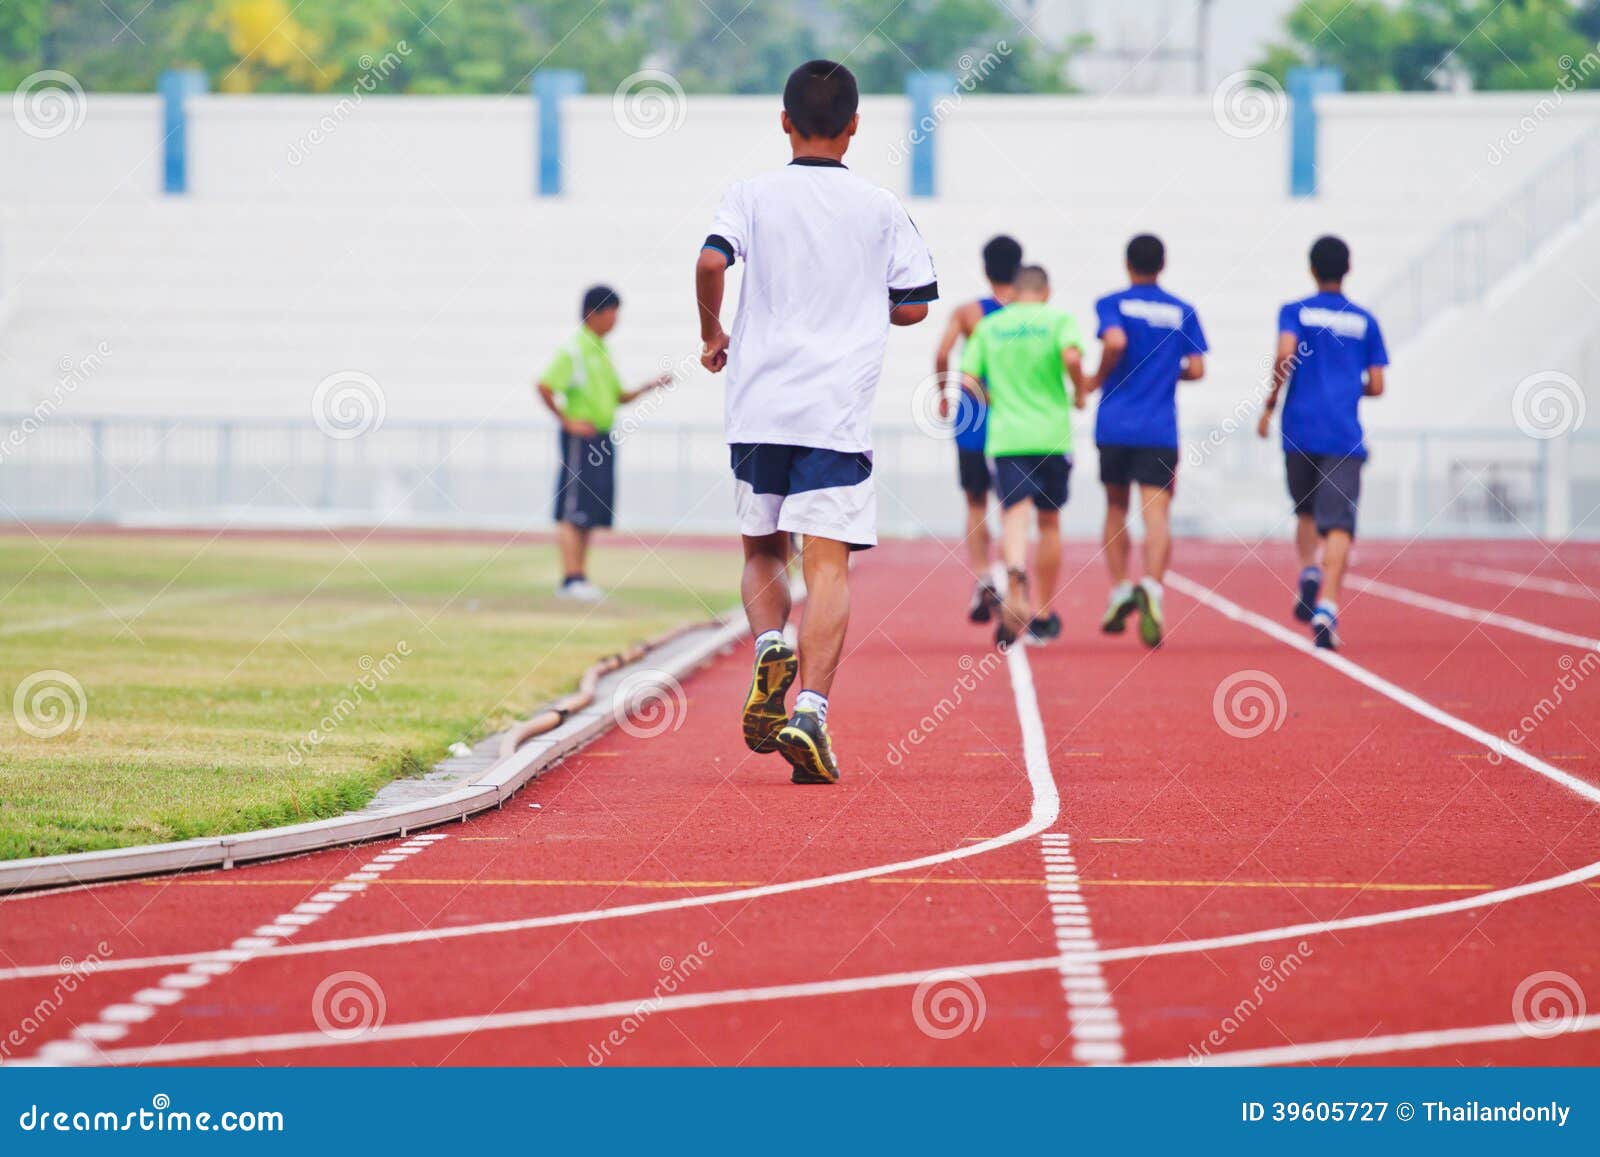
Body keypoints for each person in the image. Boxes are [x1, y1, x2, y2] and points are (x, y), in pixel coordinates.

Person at [695, 60, 937, 785]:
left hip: (759, 404)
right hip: (834, 411)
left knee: (763, 548)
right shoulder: (880, 206)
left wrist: (711, 333)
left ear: (784, 121)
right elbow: (914, 303)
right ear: (855, 126)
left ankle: (770, 641)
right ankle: (809, 710)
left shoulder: (750, 194)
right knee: (827, 564)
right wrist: (864, 301)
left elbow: (709, 263)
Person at [1257, 236, 1389, 651]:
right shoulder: (1365, 321)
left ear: (1311, 269)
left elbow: (1285, 355)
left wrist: (1270, 402)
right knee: (1339, 524)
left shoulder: (1294, 311)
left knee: (1305, 511)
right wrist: (1348, 386)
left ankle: (1308, 570)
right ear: (1348, 269)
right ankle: (1327, 605)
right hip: (1342, 435)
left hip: (1299, 428)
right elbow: (1378, 384)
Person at [1083, 234, 1208, 649]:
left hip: (1115, 423)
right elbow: (1197, 369)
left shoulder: (1112, 303)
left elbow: (1115, 341)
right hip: (1158, 427)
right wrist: (1168, 373)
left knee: (1115, 506)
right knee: (1156, 514)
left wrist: (1098, 378)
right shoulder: (1182, 310)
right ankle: (1152, 586)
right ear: (1163, 264)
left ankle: (1121, 587)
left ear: (1127, 264)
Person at [959, 265, 1086, 649]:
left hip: (1008, 436)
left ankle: (1015, 572)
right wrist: (1080, 392)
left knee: (1014, 513)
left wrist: (993, 400)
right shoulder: (1058, 320)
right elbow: (1073, 359)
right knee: (1048, 521)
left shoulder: (990, 326)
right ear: (1046, 291)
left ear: (1013, 293)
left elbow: (966, 379)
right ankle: (1043, 613)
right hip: (1051, 434)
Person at [536, 285, 671, 601]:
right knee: (572, 509)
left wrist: (649, 386)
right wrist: (567, 421)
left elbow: (619, 396)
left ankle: (580, 577)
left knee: (589, 510)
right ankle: (570, 579)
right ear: (593, 313)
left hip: (602, 437)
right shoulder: (574, 349)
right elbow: (544, 386)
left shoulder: (602, 350)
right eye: (612, 312)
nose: (616, 319)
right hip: (579, 439)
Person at [933, 235, 1023, 624]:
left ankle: (984, 576)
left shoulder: (968, 312)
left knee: (975, 502)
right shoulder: (1029, 314)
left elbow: (942, 352)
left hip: (972, 418)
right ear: (1019, 270)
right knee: (1014, 506)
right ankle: (1015, 580)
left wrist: (943, 394)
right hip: (1013, 417)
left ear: (985, 269)